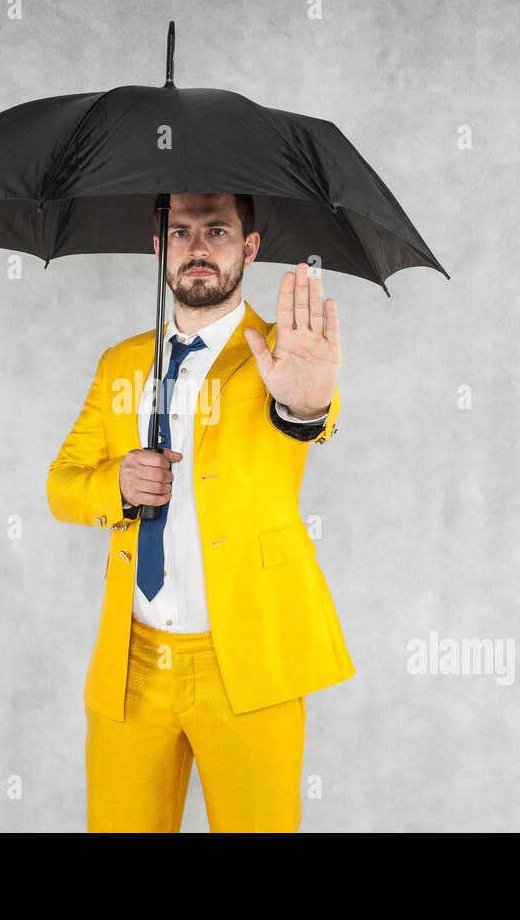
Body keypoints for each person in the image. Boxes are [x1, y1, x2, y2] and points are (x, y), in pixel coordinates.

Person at [47, 191, 354, 832]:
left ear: (249, 248)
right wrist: (118, 485)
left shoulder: (284, 354)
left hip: (247, 658)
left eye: (217, 231)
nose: (198, 248)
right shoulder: (122, 364)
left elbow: (308, 419)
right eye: (181, 232)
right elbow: (63, 486)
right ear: (160, 248)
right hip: (134, 663)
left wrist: (305, 407)